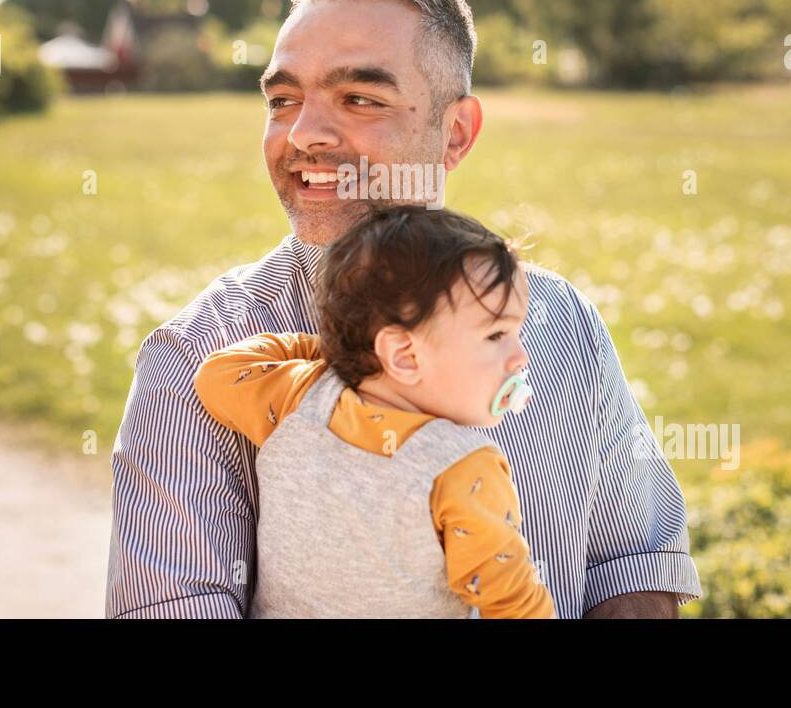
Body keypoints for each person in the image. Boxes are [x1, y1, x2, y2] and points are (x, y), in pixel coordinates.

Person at [106, 0, 702, 618]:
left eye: (359, 99)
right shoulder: (195, 358)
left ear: (456, 134)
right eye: (282, 101)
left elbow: (631, 568)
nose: (302, 134)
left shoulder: (565, 325)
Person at [193, 205, 555, 618]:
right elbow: (515, 605)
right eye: (496, 335)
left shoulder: (301, 398)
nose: (520, 357)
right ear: (402, 355)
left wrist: (336, 356)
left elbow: (219, 373)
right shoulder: (464, 469)